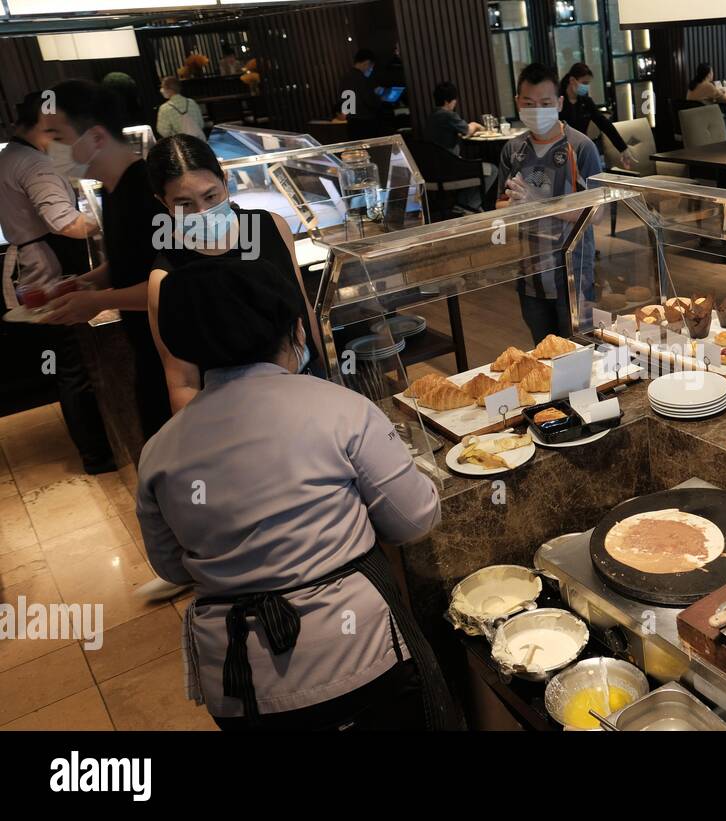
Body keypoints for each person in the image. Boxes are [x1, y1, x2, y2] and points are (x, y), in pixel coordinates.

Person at [137, 257, 462, 731]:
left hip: (240, 684)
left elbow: (170, 565)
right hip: (357, 661)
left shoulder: (159, 450)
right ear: (296, 330)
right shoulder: (342, 409)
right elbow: (413, 520)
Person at [144, 134, 325, 413]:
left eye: (210, 196)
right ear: (163, 202)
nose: (203, 211)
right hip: (236, 415)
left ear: (225, 180)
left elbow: (303, 310)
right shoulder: (167, 278)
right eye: (185, 204)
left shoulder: (271, 227)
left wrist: (329, 378)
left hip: (306, 390)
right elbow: (183, 384)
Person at [40, 79, 172, 447]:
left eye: (57, 135)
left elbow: (169, 285)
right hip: (148, 351)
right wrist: (84, 283)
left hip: (176, 357)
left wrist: (97, 301)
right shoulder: (111, 190)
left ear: (96, 137)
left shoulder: (147, 192)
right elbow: (131, 263)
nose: (49, 147)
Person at [0, 91, 115, 474]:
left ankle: (93, 448)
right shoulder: (35, 164)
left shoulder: (9, 155)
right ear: (46, 124)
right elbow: (63, 222)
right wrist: (104, 223)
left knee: (63, 362)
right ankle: (97, 455)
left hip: (26, 267)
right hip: (47, 270)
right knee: (73, 363)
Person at [497, 63, 601, 342]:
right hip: (529, 275)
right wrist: (516, 206)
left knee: (581, 354)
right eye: (529, 103)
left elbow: (596, 212)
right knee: (543, 355)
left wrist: (537, 201)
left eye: (545, 103)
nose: (537, 109)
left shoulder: (580, 147)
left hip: (573, 275)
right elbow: (499, 206)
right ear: (518, 103)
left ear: (559, 103)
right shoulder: (513, 150)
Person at [428, 81, 498, 212]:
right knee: (492, 169)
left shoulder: (432, 116)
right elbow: (467, 130)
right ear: (449, 101)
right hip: (450, 168)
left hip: (433, 170)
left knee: (478, 169)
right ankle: (470, 205)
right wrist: (476, 125)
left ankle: (463, 203)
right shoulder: (448, 115)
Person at [559, 62, 632, 169]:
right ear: (572, 81)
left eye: (588, 83)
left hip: (581, 149)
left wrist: (623, 148)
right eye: (584, 83)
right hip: (561, 151)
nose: (586, 87)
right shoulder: (558, 100)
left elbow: (604, 124)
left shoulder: (586, 101)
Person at [339, 48, 388, 139]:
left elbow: (344, 102)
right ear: (367, 63)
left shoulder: (345, 77)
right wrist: (378, 95)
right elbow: (370, 101)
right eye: (371, 66)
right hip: (366, 122)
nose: (371, 69)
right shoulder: (362, 79)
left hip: (351, 122)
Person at [155, 76, 206, 140]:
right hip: (199, 141)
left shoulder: (164, 108)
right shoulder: (191, 102)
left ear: (169, 90)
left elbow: (163, 131)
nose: (161, 90)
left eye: (163, 87)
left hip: (180, 144)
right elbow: (201, 124)